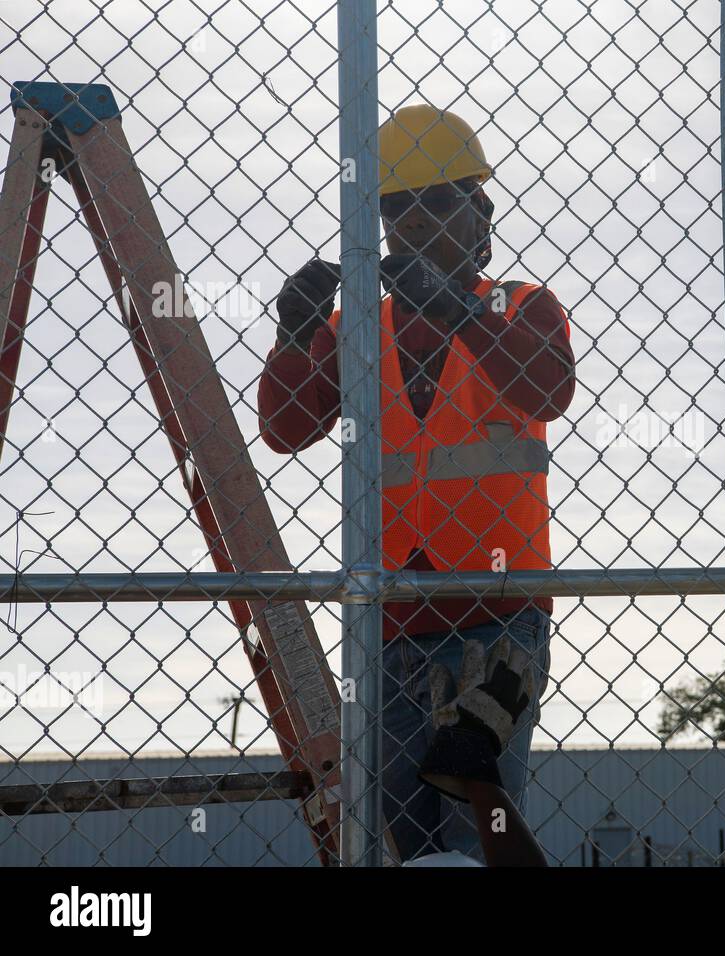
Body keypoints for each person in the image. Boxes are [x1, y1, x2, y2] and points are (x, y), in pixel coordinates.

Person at [257, 103, 575, 863]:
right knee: (405, 836)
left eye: (438, 201)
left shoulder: (520, 304)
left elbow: (549, 389)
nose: (418, 223)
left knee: (475, 812)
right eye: (400, 209)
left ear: (479, 212)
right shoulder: (364, 321)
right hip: (393, 619)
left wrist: (460, 310)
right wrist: (297, 333)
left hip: (501, 612)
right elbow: (286, 429)